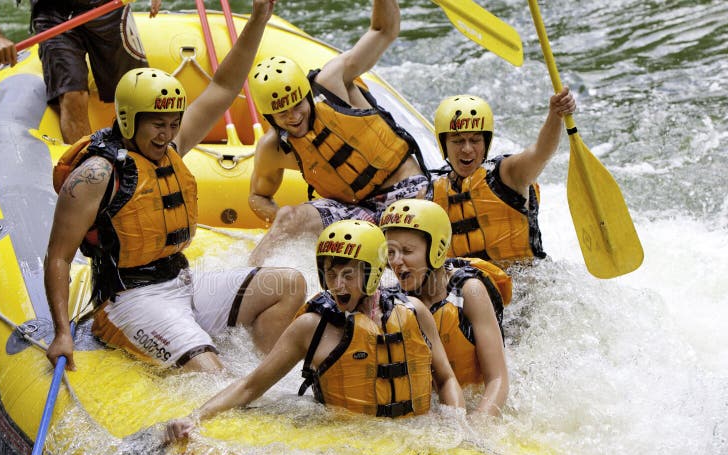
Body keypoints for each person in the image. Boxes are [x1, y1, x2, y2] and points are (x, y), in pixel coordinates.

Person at [44, 0, 306, 373]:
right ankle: (225, 379)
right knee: (212, 375)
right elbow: (58, 256)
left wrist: (259, 17)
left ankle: (259, 374)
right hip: (130, 301)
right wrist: (61, 333)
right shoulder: (97, 175)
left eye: (172, 124)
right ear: (128, 119)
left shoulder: (169, 148)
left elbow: (224, 86)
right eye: (157, 125)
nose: (167, 135)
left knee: (289, 284)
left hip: (182, 283)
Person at [165, 219, 465, 441]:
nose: (338, 285)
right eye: (331, 274)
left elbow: (446, 378)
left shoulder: (414, 311)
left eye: (348, 275)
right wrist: (195, 417)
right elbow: (250, 386)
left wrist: (456, 429)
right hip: (348, 442)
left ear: (373, 273)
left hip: (413, 436)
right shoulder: (312, 327)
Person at [244, 0, 430, 266]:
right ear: (269, 117)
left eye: (298, 105)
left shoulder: (332, 85)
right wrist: (294, 231)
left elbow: (384, 30)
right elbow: (257, 197)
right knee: (289, 218)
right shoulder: (273, 148)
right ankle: (248, 278)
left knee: (405, 247)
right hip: (353, 212)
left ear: (307, 94)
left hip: (405, 191)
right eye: (282, 113)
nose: (294, 117)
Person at [380, 199, 511, 417]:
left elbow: (497, 379)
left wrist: (479, 423)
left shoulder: (470, 292)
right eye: (390, 252)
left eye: (407, 251)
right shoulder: (394, 300)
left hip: (475, 395)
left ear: (437, 250)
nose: (396, 262)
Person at [0, 0, 162, 144]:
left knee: (136, 91)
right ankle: (91, 171)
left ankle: (149, 165)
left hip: (108, 6)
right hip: (53, 12)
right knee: (72, 95)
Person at [428, 90, 577, 264]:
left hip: (523, 280)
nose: (467, 149)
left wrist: (555, 115)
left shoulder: (508, 175)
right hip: (465, 280)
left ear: (486, 143)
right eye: (458, 141)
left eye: (475, 140)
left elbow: (541, 152)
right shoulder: (430, 195)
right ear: (444, 145)